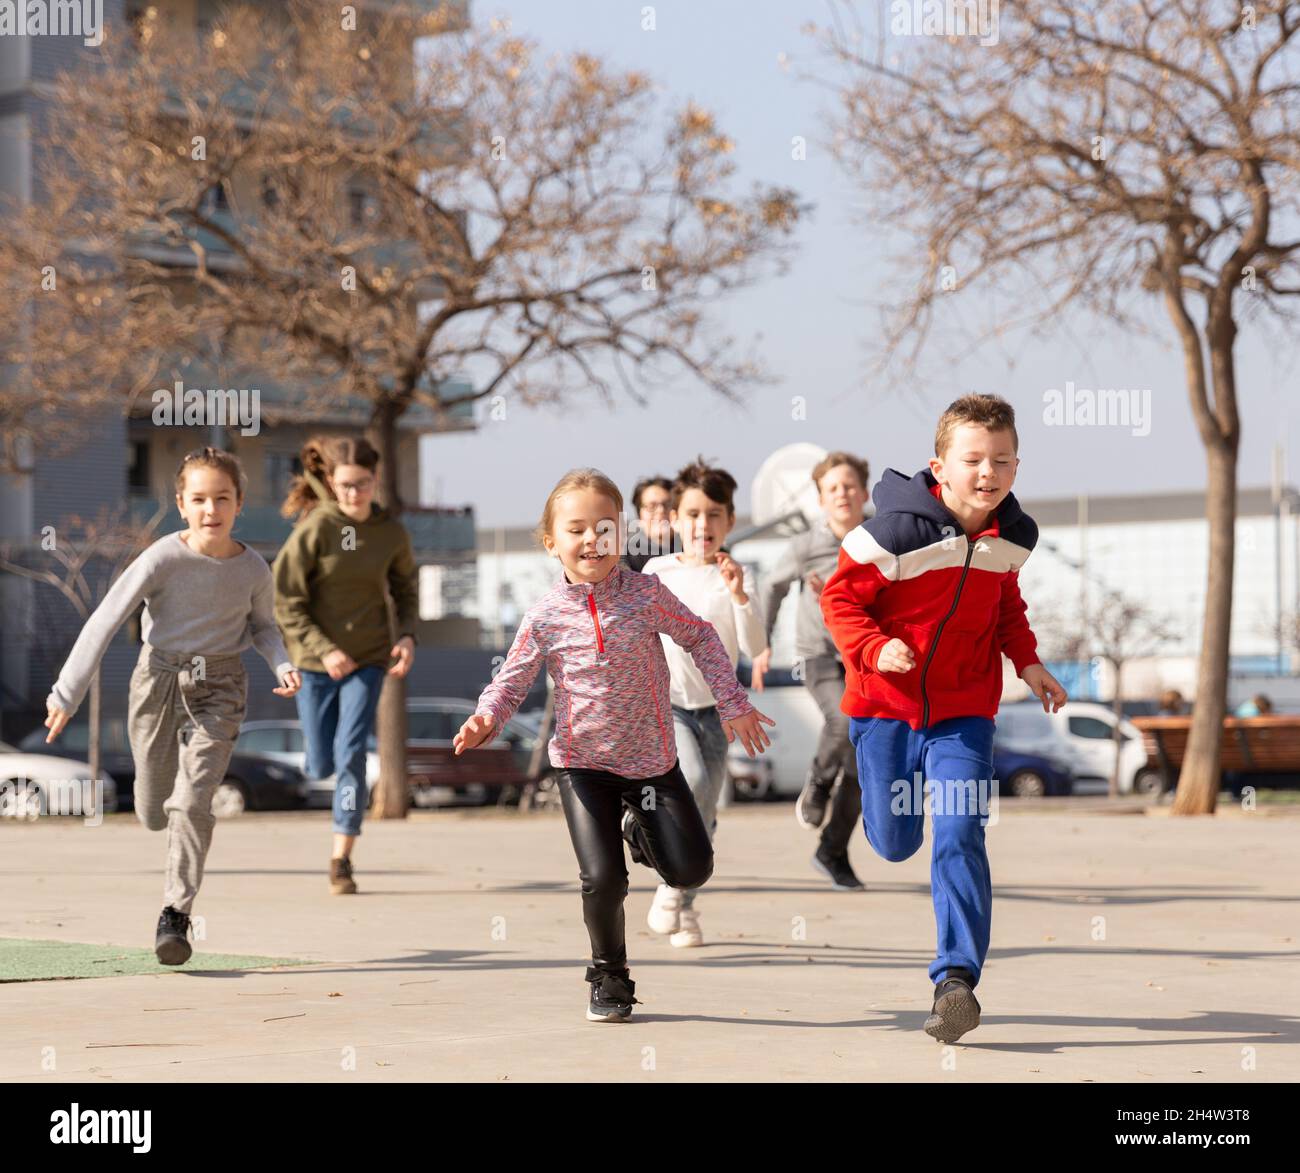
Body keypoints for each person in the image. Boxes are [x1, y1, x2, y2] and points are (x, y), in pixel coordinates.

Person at [453, 468, 774, 1022]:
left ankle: (638, 828)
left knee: (692, 870)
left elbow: (701, 636)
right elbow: (512, 678)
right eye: (576, 529)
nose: (592, 540)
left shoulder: (646, 593)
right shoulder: (546, 616)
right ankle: (609, 976)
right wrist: (487, 716)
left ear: (622, 535)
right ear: (552, 542)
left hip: (650, 762)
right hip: (583, 767)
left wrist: (732, 701)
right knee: (603, 879)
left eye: (605, 527)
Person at [820, 394, 1067, 1043]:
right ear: (941, 464)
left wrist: (1028, 662)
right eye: (973, 459)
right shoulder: (893, 533)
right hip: (884, 708)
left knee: (960, 830)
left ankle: (955, 979)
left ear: (1017, 465)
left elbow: (1004, 603)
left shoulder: (1013, 536)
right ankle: (853, 809)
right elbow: (839, 598)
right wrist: (875, 648)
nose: (988, 472)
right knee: (895, 840)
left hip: (964, 711)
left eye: (1002, 460)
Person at [44, 447, 300, 964]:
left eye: (222, 499)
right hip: (158, 679)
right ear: (182, 504)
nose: (212, 510)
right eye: (200, 499)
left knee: (191, 801)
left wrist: (280, 662)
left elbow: (264, 627)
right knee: (153, 808)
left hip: (221, 686)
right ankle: (153, 804)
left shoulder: (253, 568)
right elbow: (106, 619)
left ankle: (175, 915)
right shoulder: (162, 557)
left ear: (239, 503)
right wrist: (66, 693)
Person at [273, 435, 417, 896]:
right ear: (332, 484)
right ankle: (323, 773)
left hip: (369, 659)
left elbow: (406, 589)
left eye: (362, 484)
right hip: (316, 662)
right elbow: (287, 601)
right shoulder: (316, 529)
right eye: (344, 486)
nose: (353, 494)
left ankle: (341, 860)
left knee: (352, 750)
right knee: (320, 763)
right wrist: (323, 648)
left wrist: (407, 635)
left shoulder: (390, 532)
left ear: (375, 481)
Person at [641, 459, 767, 947]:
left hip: (718, 712)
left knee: (706, 813)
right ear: (675, 519)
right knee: (689, 782)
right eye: (692, 514)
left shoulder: (738, 575)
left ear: (730, 521)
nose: (703, 525)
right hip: (665, 706)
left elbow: (755, 646)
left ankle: (685, 906)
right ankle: (669, 884)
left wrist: (739, 596)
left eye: (714, 514)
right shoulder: (657, 571)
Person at [754, 451, 871, 892]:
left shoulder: (882, 537)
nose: (842, 494)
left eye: (849, 485)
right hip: (818, 654)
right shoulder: (807, 546)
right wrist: (763, 642)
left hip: (866, 656)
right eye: (832, 488)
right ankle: (819, 783)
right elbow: (772, 586)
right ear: (821, 499)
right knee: (844, 719)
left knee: (866, 759)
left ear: (863, 492)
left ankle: (832, 850)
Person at [623, 475, 680, 572]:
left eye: (668, 504)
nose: (661, 510)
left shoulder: (693, 551)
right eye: (651, 506)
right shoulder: (627, 559)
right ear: (639, 517)